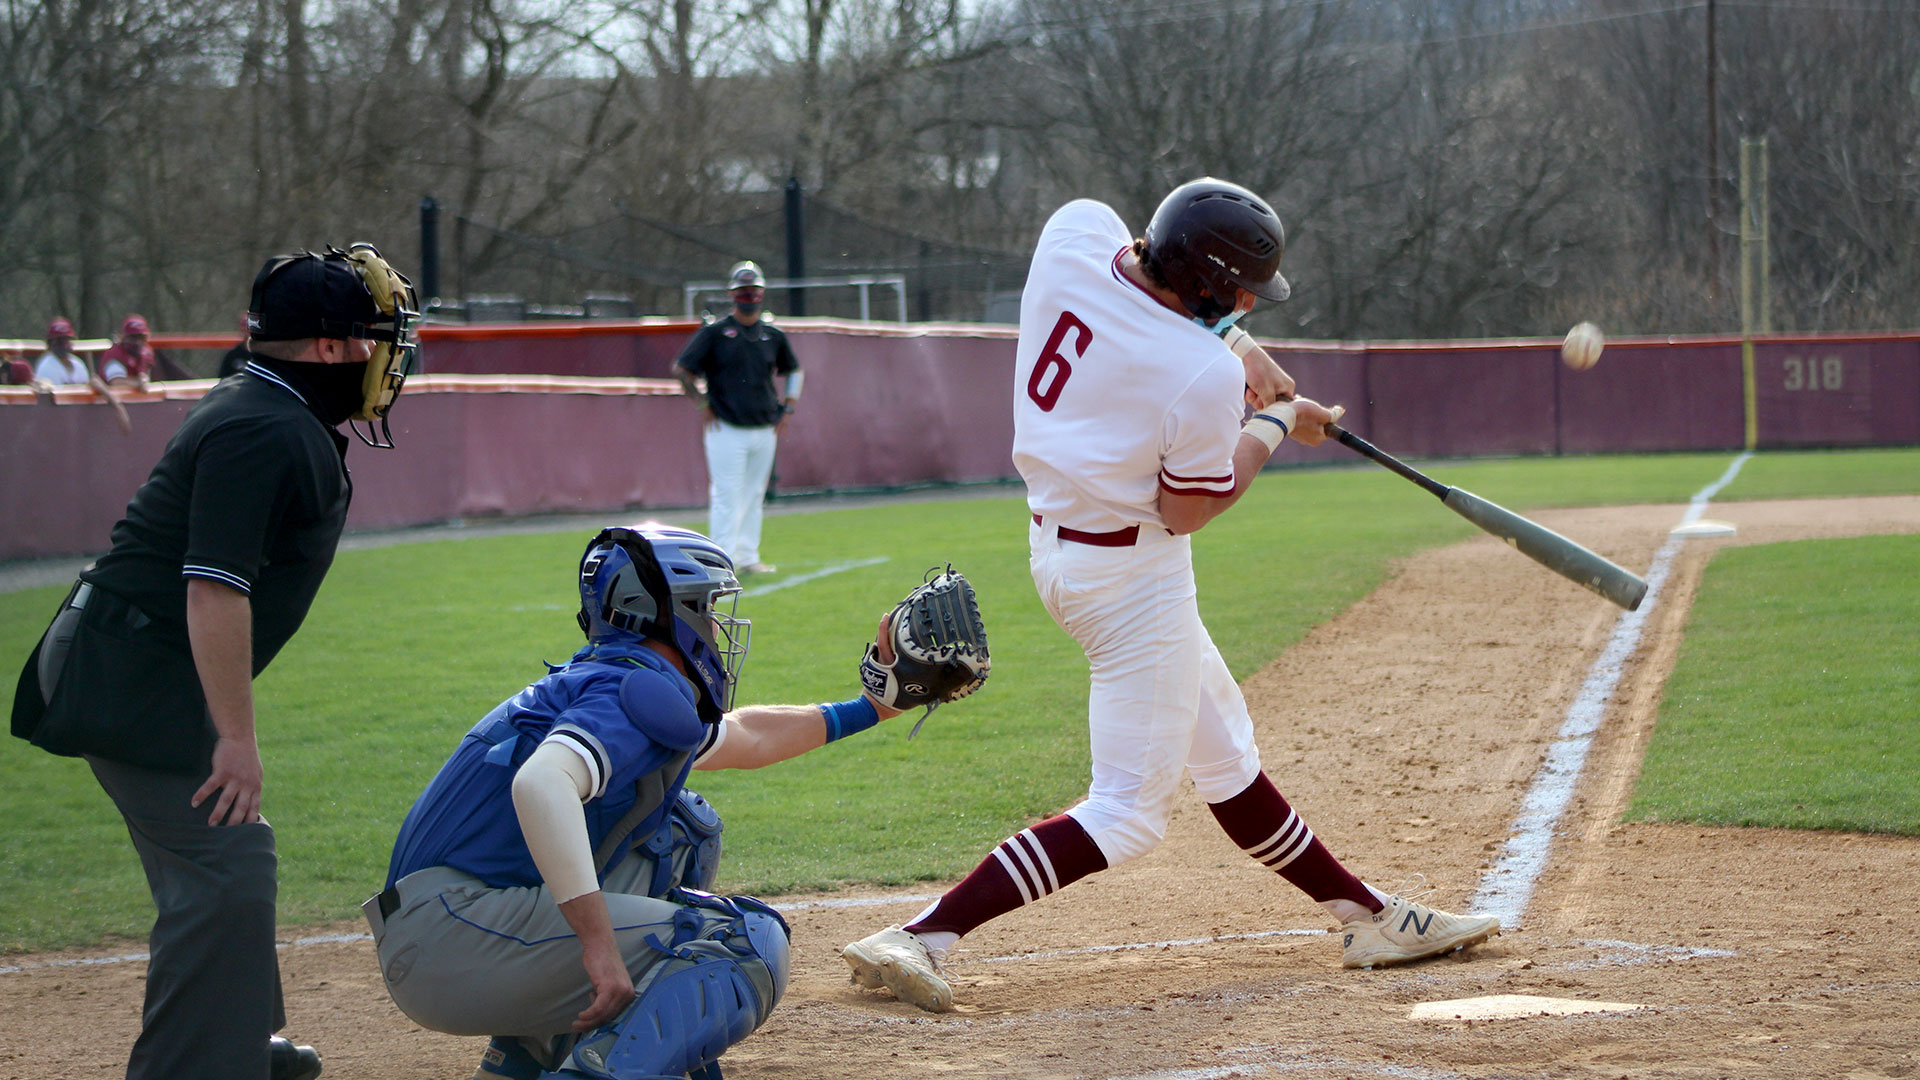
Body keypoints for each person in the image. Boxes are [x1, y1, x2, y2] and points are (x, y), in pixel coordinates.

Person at [841, 178, 1501, 1012]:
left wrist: (1243, 350)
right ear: (1210, 289)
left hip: (1060, 547)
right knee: (1127, 812)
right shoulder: (1198, 375)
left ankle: (1368, 917)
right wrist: (1273, 424)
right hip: (1133, 580)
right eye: (1240, 295)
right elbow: (1188, 509)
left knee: (1224, 755)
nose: (1247, 305)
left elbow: (1141, 285)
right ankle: (921, 936)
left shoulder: (1073, 235)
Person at [9, 244, 420, 1080]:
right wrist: (235, 737)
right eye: (370, 337)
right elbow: (214, 589)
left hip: (133, 662)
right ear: (328, 348)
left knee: (228, 857)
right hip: (126, 676)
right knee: (227, 867)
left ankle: (241, 1044)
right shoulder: (261, 427)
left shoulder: (267, 405)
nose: (381, 356)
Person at [366, 524, 973, 1080]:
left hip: (444, 931)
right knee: (741, 945)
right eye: (707, 607)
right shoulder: (633, 688)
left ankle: (525, 1058)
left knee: (681, 829)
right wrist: (599, 947)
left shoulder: (616, 679)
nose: (718, 626)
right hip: (452, 936)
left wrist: (874, 707)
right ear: (668, 613)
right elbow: (541, 784)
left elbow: (747, 736)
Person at [673, 261, 800, 575]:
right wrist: (702, 403)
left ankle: (747, 556)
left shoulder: (772, 334)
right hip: (726, 426)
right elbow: (683, 370)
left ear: (762, 294)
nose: (749, 297)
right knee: (726, 494)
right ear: (732, 294)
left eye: (753, 291)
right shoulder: (715, 333)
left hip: (764, 426)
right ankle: (720, 560)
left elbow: (794, 370)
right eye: (743, 291)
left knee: (754, 494)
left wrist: (789, 408)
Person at [34, 316, 132, 433]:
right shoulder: (46, 366)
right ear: (50, 343)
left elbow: (93, 384)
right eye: (59, 340)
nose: (64, 344)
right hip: (55, 423)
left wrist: (118, 407)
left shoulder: (77, 364)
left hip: (79, 422)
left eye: (66, 340)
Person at [100, 313, 191, 387]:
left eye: (141, 337)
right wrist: (140, 383)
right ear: (123, 337)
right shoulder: (115, 354)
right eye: (133, 337)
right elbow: (116, 382)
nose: (137, 342)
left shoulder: (146, 353)